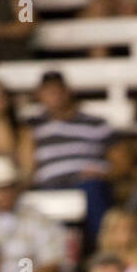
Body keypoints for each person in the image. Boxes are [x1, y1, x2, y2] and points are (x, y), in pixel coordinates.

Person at [24, 71, 115, 253]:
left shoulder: (95, 123)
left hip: (88, 183)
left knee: (94, 189)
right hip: (49, 186)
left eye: (57, 91)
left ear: (67, 91)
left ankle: (103, 250)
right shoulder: (33, 127)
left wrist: (103, 172)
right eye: (48, 92)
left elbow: (123, 161)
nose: (54, 97)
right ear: (40, 95)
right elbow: (27, 166)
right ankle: (53, 256)